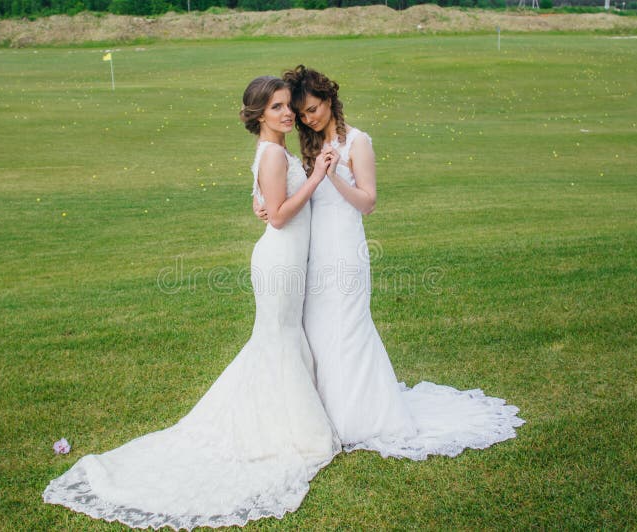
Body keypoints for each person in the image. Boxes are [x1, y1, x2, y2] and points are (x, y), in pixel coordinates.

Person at [43, 76, 341, 529]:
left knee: (279, 336)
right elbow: (278, 216)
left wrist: (266, 202)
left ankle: (281, 417)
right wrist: (317, 175)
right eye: (277, 107)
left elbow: (264, 203)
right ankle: (284, 428)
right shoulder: (276, 153)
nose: (287, 113)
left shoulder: (269, 152)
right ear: (260, 114)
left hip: (283, 258)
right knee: (278, 336)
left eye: (288, 106)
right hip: (280, 258)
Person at [256, 65, 524, 460]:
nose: (308, 118)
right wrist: (262, 201)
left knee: (349, 328)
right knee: (318, 330)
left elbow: (369, 202)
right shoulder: (309, 146)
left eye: (313, 109)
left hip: (346, 248)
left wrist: (331, 177)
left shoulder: (357, 142)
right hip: (313, 252)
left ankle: (358, 417)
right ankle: (325, 412)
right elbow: (284, 186)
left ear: (330, 101)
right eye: (303, 112)